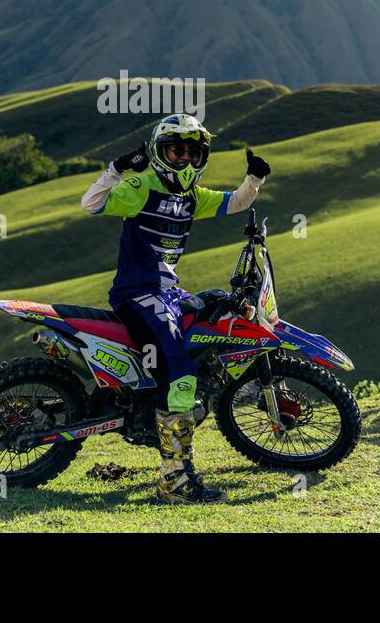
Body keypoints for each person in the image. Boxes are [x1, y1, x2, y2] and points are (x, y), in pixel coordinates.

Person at [81, 113, 270, 503]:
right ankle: (174, 481)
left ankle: (160, 401)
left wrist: (254, 179)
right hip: (137, 293)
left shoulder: (191, 197)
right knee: (180, 371)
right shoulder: (141, 187)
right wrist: (116, 170)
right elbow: (91, 205)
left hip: (168, 293)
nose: (184, 160)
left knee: (216, 303)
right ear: (158, 153)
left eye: (192, 152)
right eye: (175, 151)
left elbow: (234, 203)